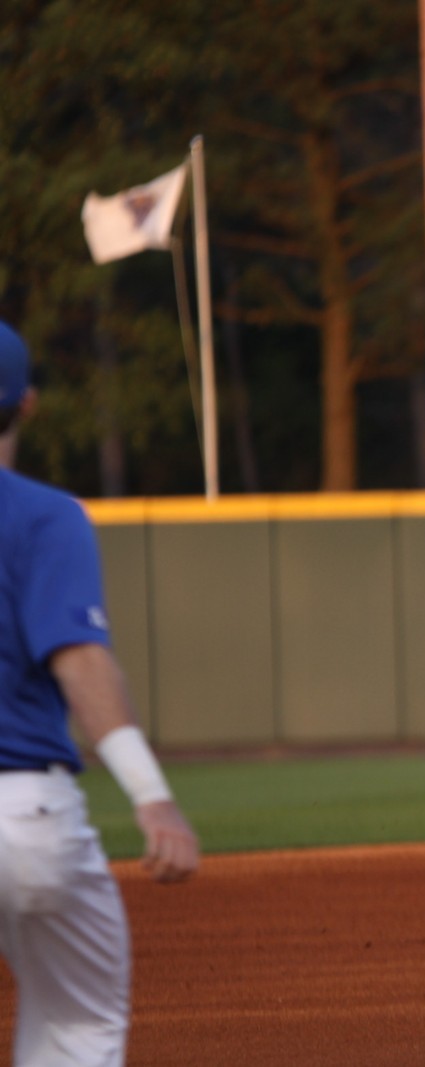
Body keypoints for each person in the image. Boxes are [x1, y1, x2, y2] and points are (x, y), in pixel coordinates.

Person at [0, 320, 200, 1066]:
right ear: (28, 405)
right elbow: (80, 662)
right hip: (24, 815)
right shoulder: (44, 515)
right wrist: (152, 795)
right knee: (77, 1029)